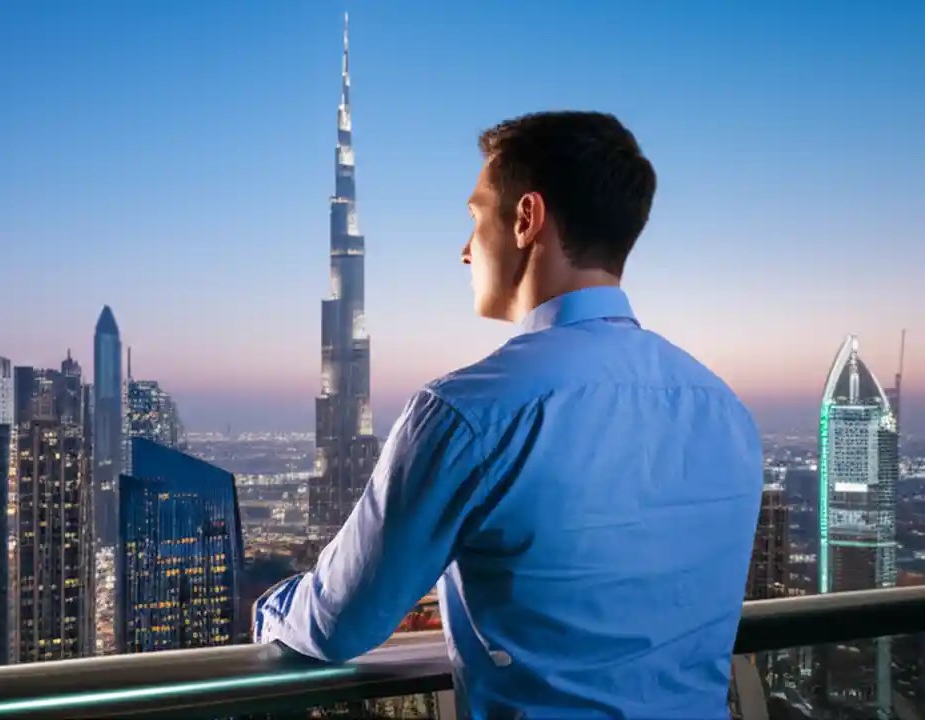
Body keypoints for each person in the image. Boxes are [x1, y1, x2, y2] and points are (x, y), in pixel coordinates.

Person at [253, 111, 764, 719]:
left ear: (526, 219)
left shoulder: (469, 412)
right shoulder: (724, 410)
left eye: (475, 217)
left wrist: (266, 609)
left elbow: (339, 620)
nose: (465, 251)